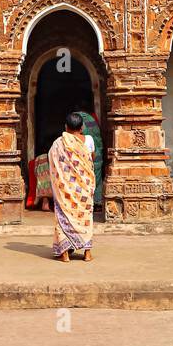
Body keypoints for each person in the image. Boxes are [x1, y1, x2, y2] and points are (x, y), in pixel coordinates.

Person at [48, 111, 96, 262]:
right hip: (84, 186)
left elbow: (53, 161)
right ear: (82, 128)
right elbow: (91, 159)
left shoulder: (58, 143)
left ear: (65, 127)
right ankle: (87, 253)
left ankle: (65, 254)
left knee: (64, 215)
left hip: (65, 188)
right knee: (86, 216)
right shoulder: (88, 140)